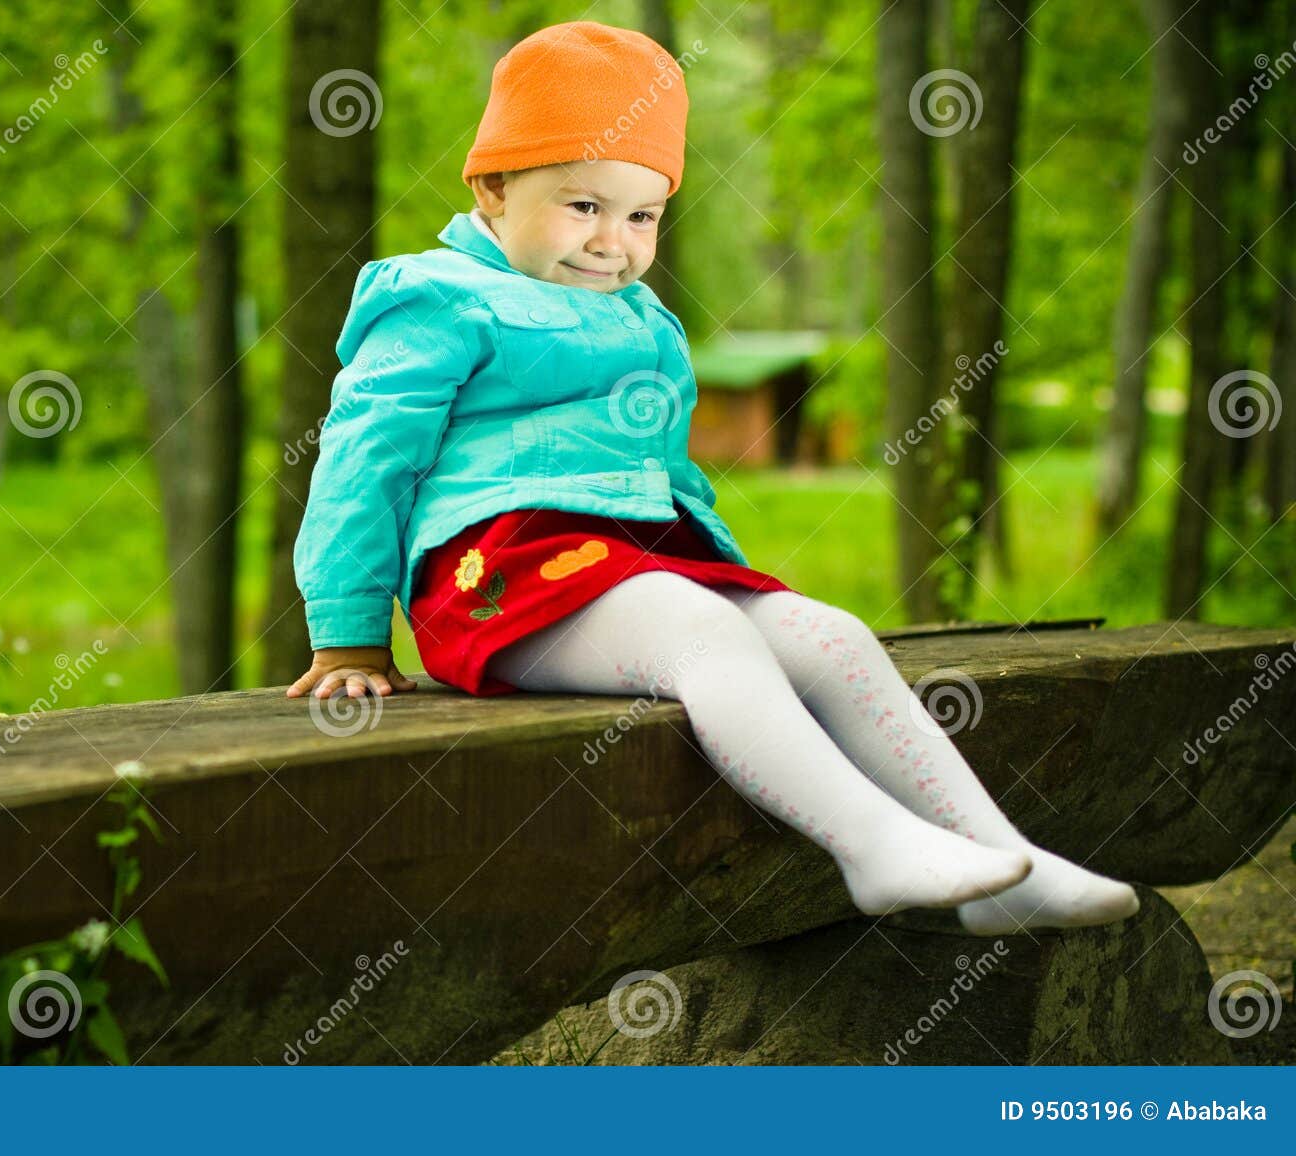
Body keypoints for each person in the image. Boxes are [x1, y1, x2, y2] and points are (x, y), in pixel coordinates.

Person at [287, 20, 1138, 933]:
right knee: (700, 631)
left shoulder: (642, 319)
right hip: (496, 579)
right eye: (581, 206)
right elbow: (364, 458)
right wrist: (347, 637)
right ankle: (873, 847)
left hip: (633, 565)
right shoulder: (437, 297)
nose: (612, 241)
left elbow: (664, 475)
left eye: (641, 214)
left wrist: (727, 575)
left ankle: (1008, 871)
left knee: (832, 634)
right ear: (493, 184)